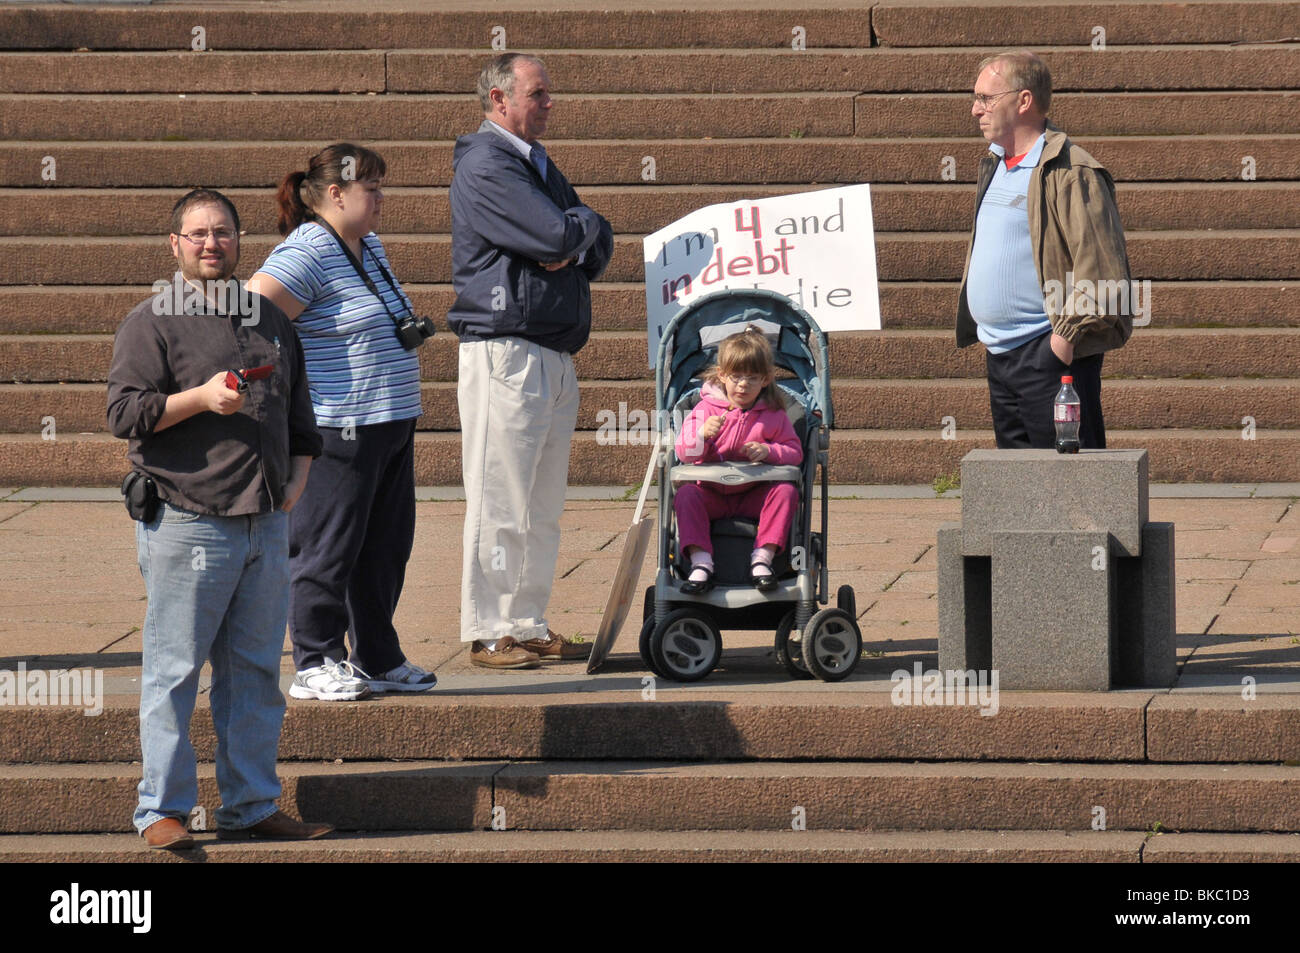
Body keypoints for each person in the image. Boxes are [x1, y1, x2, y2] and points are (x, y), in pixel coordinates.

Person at [108, 189, 332, 848]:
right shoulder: (151, 322)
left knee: (257, 672)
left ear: (240, 241)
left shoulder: (269, 318)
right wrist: (200, 399)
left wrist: (297, 480)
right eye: (198, 234)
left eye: (224, 233)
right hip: (186, 517)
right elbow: (125, 414)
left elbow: (300, 411)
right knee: (175, 671)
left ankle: (252, 803)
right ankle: (162, 811)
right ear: (175, 246)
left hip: (265, 520)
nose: (212, 244)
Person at [245, 144, 436, 700]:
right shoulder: (307, 250)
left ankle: (377, 655)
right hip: (338, 429)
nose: (381, 199)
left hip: (390, 422)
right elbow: (253, 315)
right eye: (371, 189)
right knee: (327, 547)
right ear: (334, 194)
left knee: (383, 549)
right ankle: (314, 659)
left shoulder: (366, 245)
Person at [449, 52, 614, 670]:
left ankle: (527, 620)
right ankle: (489, 628)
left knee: (541, 505)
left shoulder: (534, 162)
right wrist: (573, 233)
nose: (550, 103)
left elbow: (594, 239)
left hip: (550, 350)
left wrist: (578, 230)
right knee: (500, 499)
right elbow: (556, 237)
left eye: (548, 93)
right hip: (505, 349)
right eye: (538, 93)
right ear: (498, 99)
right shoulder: (488, 164)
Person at [956, 50, 1134, 449]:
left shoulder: (1071, 171)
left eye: (986, 98)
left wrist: (1064, 340)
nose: (974, 109)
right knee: (1019, 493)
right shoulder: (996, 165)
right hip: (1001, 357)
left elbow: (1104, 268)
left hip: (1048, 355)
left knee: (1070, 491)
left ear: (1024, 101)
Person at [673, 327, 803, 594]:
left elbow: (795, 452)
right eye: (736, 377)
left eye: (752, 378)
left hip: (753, 493)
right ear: (722, 375)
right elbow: (683, 452)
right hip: (711, 493)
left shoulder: (774, 414)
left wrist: (769, 452)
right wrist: (702, 435)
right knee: (686, 495)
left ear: (765, 379)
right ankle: (701, 562)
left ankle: (763, 558)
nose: (743, 384)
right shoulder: (704, 409)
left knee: (786, 492)